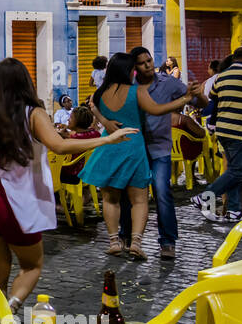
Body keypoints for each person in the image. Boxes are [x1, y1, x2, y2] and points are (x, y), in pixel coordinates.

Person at [0, 59, 137, 311]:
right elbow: (59, 145)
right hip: (15, 201)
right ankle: (9, 311)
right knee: (31, 266)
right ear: (26, 82)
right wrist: (106, 140)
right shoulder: (33, 113)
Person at [81, 52, 193, 261]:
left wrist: (105, 121)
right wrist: (185, 99)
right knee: (139, 200)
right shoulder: (137, 91)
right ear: (127, 70)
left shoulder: (101, 92)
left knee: (110, 198)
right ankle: (136, 243)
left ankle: (115, 242)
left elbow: (92, 107)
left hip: (109, 145)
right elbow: (157, 110)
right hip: (133, 146)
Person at [104, 47, 207, 260]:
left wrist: (198, 95)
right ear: (134, 67)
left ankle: (168, 241)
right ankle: (126, 237)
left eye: (149, 60)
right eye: (142, 63)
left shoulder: (168, 83)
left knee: (162, 192)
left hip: (159, 148)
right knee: (126, 194)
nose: (148, 65)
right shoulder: (127, 87)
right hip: (133, 149)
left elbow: (201, 103)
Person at [193, 46, 242, 225]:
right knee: (239, 170)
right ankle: (204, 198)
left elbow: (213, 97)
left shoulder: (221, 77)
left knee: (232, 170)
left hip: (223, 130)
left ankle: (234, 211)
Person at [59, 106, 101, 186]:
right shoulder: (96, 134)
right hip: (90, 172)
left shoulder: (74, 139)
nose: (68, 120)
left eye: (71, 118)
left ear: (78, 121)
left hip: (74, 175)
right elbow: (82, 135)